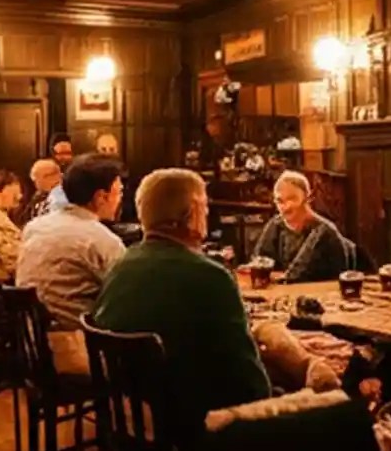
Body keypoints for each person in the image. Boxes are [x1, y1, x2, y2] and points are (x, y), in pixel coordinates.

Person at [92, 169, 271, 431]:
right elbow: (251, 385)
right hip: (197, 422)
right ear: (194, 212)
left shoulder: (122, 264)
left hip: (135, 413)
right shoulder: (210, 275)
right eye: (206, 206)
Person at [16, 154, 124, 375]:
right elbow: (127, 297)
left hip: (32, 351)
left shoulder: (34, 227)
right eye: (118, 192)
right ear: (101, 197)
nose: (120, 198)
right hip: (78, 355)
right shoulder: (100, 239)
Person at [252, 171, 348, 283]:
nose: (286, 207)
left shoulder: (325, 232)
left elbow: (338, 278)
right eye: (280, 201)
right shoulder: (275, 226)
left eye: (292, 199)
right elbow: (259, 265)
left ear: (308, 197)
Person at [20, 159, 62, 225]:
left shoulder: (67, 195)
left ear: (48, 176)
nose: (35, 185)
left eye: (35, 180)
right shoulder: (38, 197)